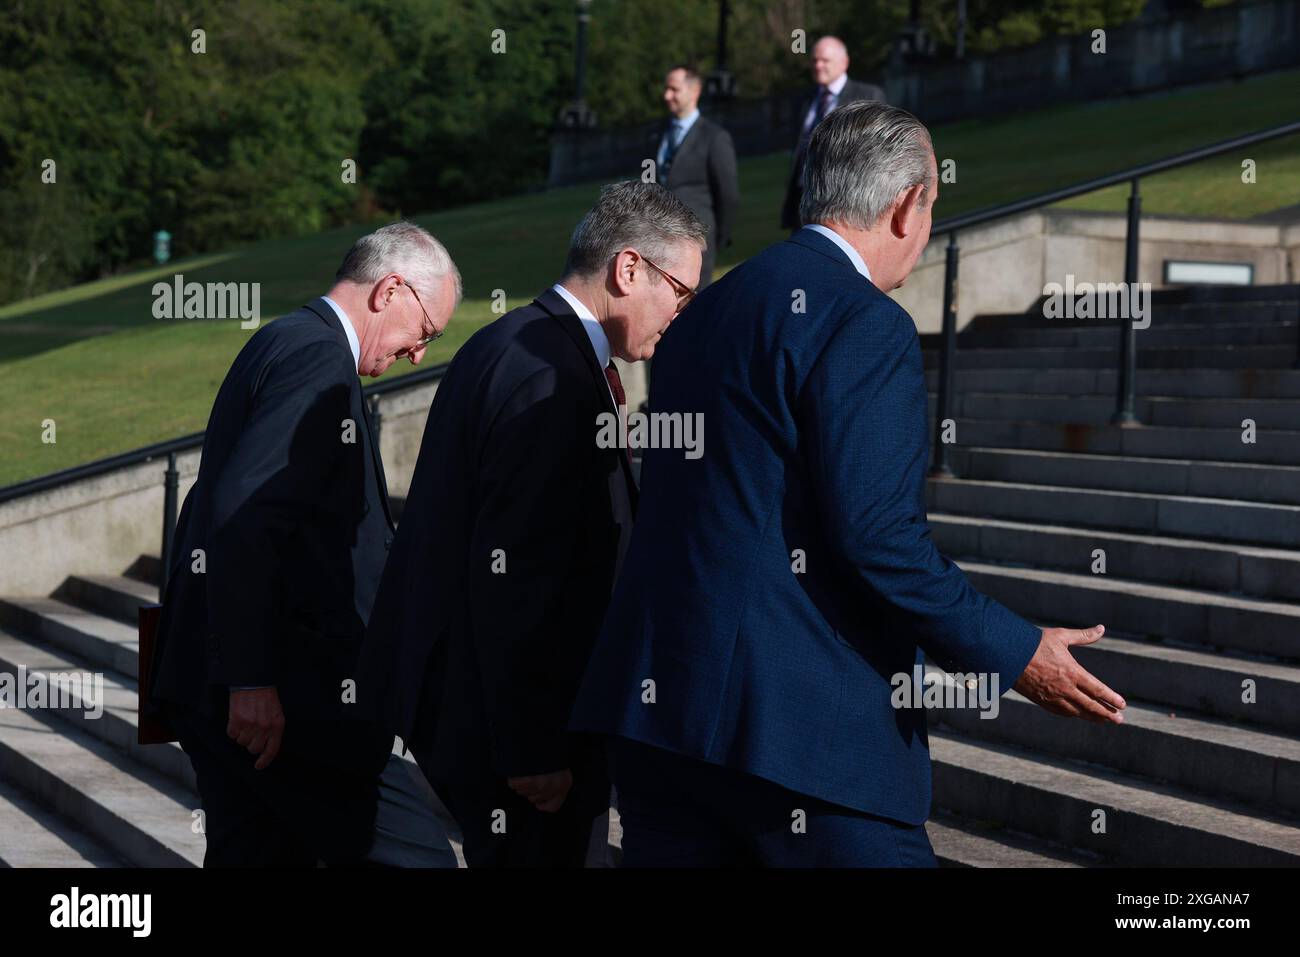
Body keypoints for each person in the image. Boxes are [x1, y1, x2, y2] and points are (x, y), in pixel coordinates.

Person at [571, 102, 1127, 867]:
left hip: (664, 713)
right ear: (906, 207)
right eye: (932, 207)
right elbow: (878, 537)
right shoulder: (865, 321)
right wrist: (1017, 650)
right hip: (803, 738)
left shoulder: (701, 313)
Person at [356, 182, 705, 867]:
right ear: (628, 269)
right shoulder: (551, 374)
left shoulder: (513, 342)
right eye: (682, 292)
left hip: (486, 708)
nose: (683, 315)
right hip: (520, 733)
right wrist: (535, 746)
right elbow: (520, 574)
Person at [149, 222, 461, 867]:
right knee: (421, 858)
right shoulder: (316, 356)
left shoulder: (283, 339)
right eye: (426, 331)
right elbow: (245, 511)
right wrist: (250, 678)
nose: (418, 354)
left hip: (236, 690)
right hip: (287, 702)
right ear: (391, 291)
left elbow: (223, 500)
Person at [780, 35, 885, 232]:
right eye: (814, 60)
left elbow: (875, 151)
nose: (818, 66)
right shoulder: (804, 101)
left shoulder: (867, 96)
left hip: (845, 201)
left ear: (844, 63)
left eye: (825, 60)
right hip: (804, 200)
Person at [655, 64, 739, 289]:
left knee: (693, 303)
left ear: (694, 91)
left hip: (696, 239)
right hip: (658, 238)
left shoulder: (715, 137)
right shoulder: (660, 133)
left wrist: (715, 238)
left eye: (674, 89)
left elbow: (728, 194)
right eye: (666, 89)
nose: (666, 96)